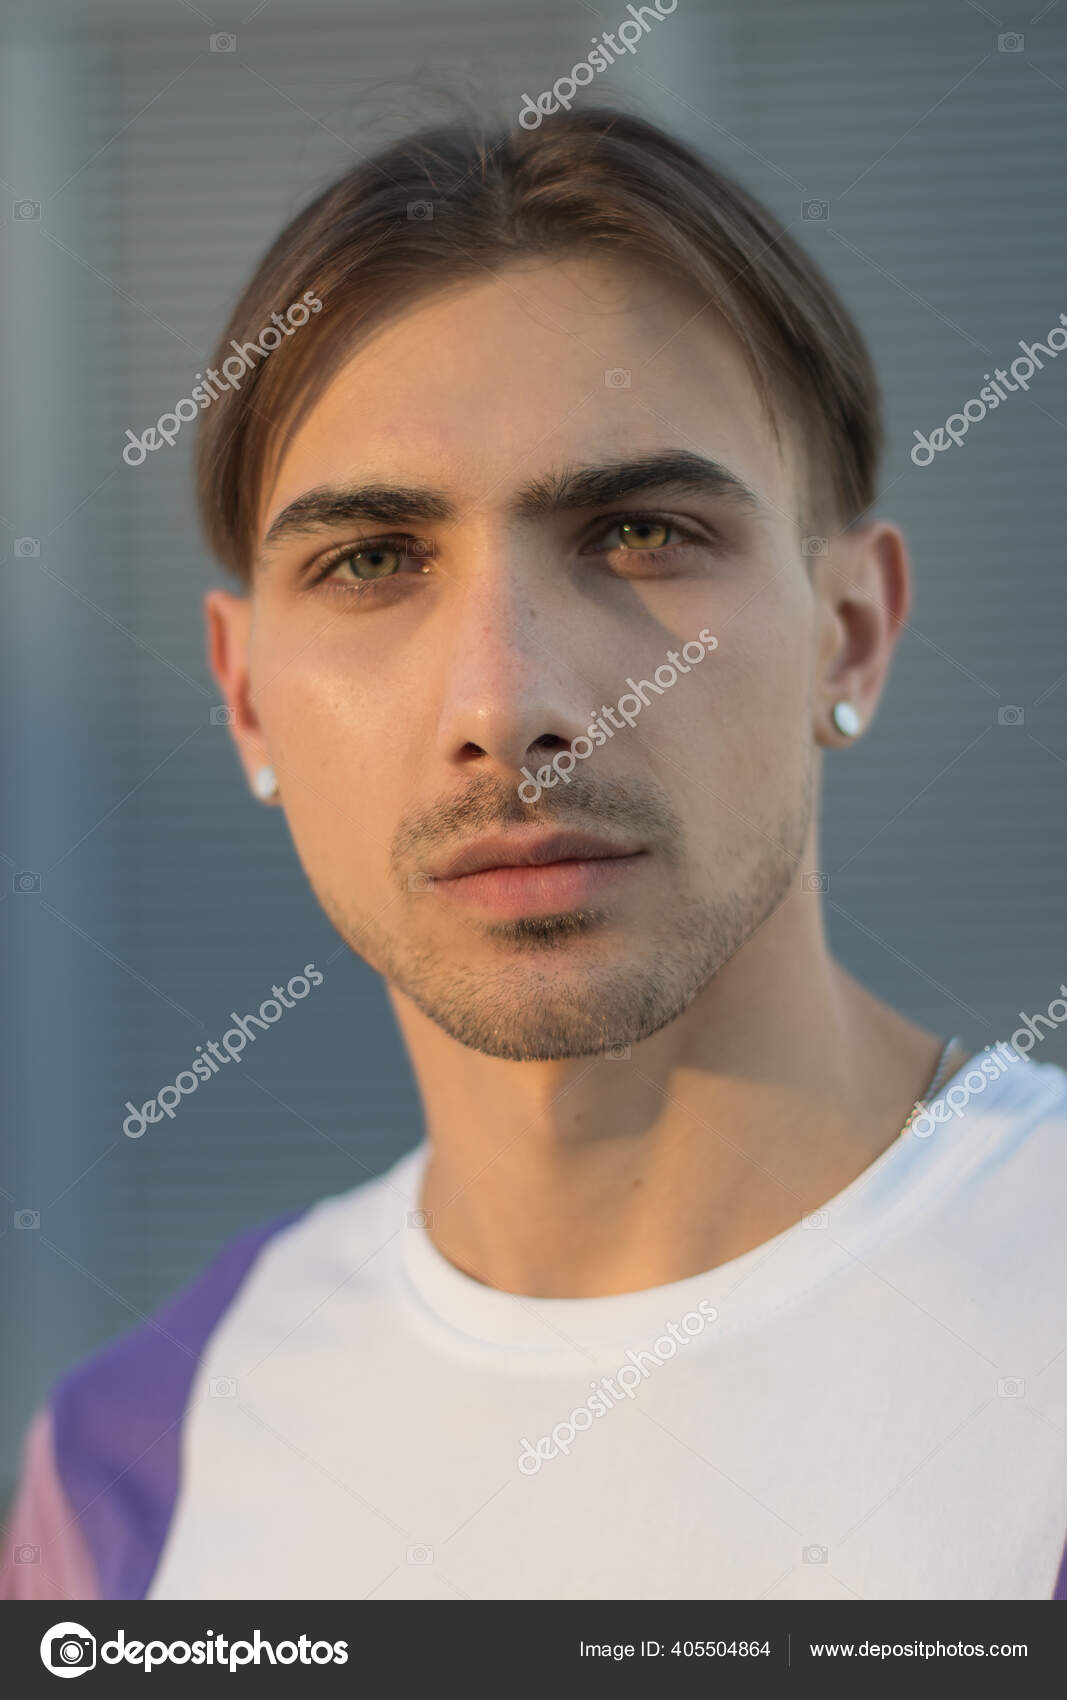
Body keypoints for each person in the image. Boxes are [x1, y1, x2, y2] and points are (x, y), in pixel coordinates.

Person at [5, 108, 1066, 1602]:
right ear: (244, 696)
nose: (507, 703)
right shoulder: (131, 1470)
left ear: (853, 633)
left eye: (640, 533)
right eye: (373, 561)